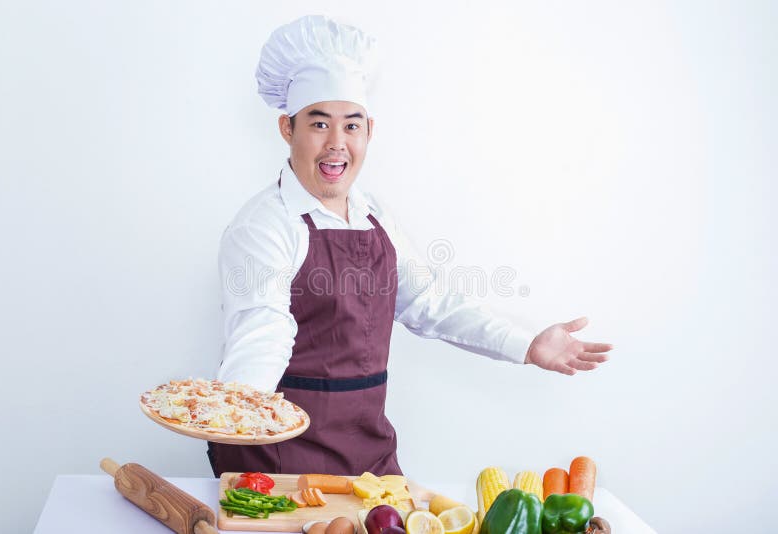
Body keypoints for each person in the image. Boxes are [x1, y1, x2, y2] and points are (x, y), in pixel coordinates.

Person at [207, 15, 613, 477]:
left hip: (368, 455)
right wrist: (235, 410)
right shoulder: (264, 226)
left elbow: (429, 302)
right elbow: (264, 333)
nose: (336, 144)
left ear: (369, 131)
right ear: (287, 128)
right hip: (277, 457)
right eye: (319, 124)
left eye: (351, 126)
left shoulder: (374, 214)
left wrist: (525, 343)